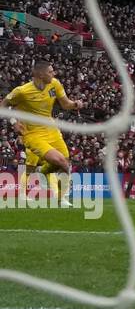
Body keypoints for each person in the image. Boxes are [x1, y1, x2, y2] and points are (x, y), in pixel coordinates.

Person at [1, 59, 83, 206]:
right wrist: (14, 122)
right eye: (50, 71)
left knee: (65, 163)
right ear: (40, 74)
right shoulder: (22, 91)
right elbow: (3, 106)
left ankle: (59, 197)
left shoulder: (55, 84)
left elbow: (65, 104)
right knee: (58, 161)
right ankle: (35, 183)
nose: (54, 73)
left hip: (51, 129)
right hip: (32, 134)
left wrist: (75, 104)